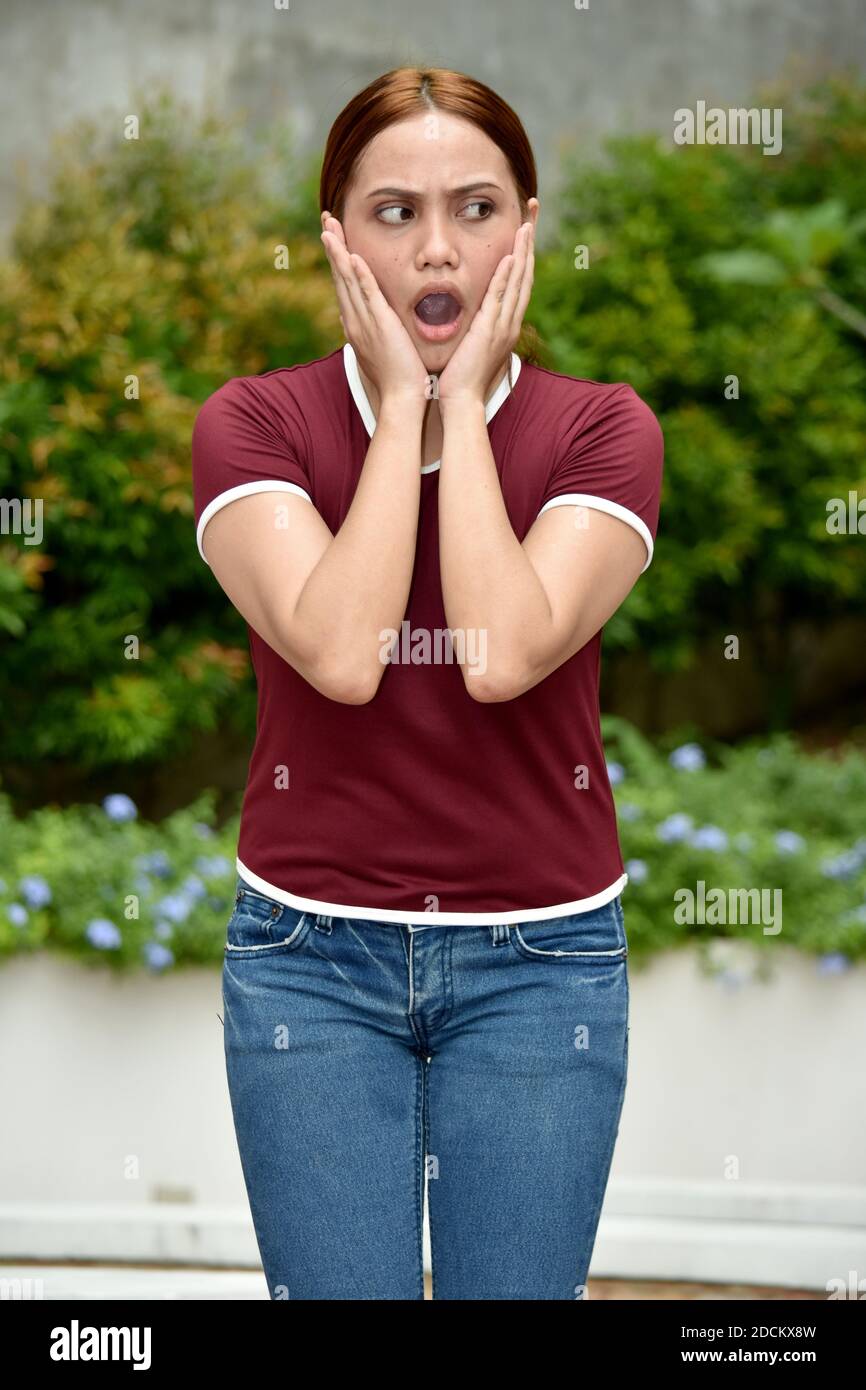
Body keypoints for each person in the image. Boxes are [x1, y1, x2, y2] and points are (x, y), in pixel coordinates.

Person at [191, 65, 664, 1301]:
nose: (437, 247)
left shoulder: (603, 431)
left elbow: (500, 652)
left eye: (475, 207)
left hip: (540, 963)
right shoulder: (255, 425)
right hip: (307, 956)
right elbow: (342, 656)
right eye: (394, 212)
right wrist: (407, 406)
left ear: (527, 229)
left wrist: (455, 412)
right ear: (337, 239)